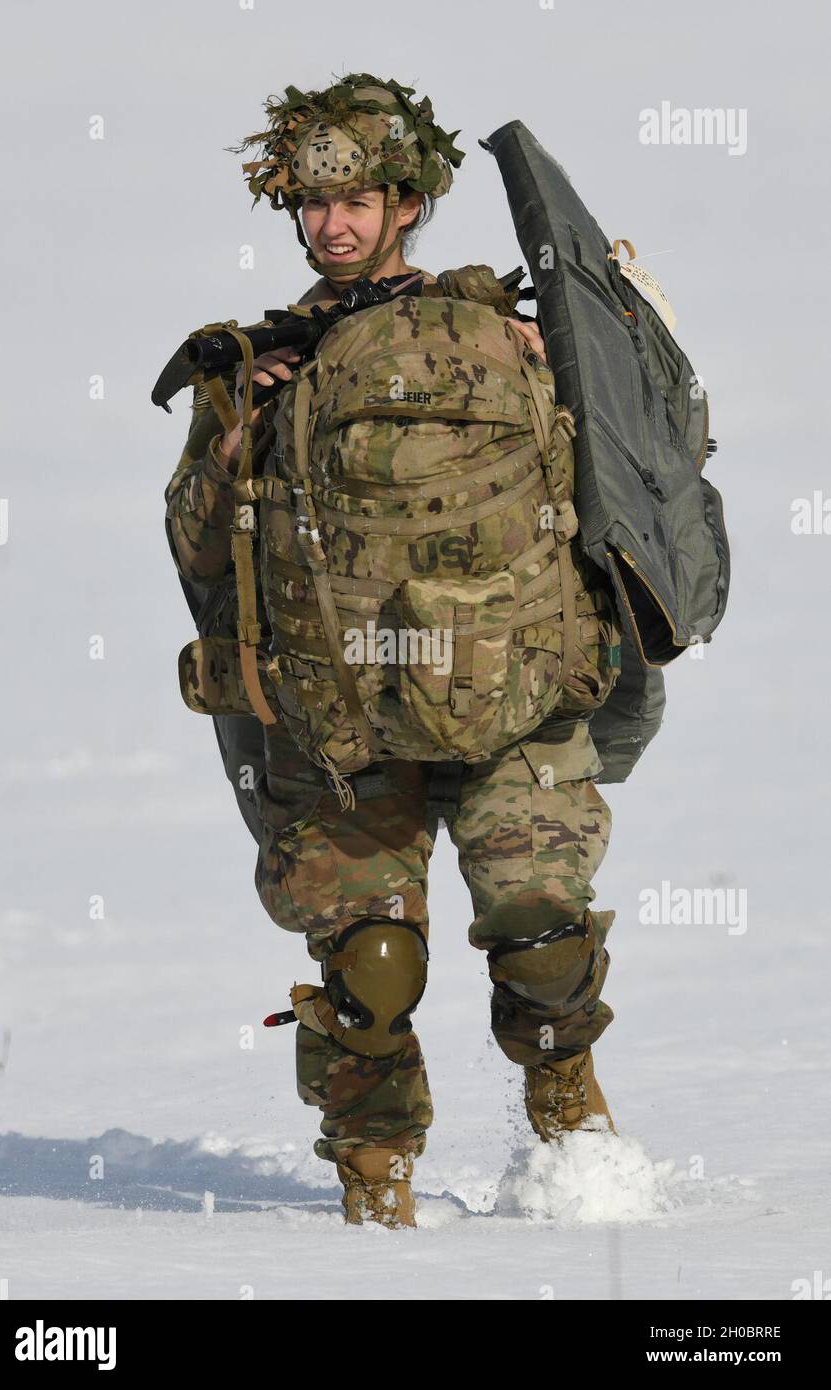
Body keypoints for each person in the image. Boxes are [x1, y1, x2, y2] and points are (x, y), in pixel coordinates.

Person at [165, 74, 620, 1229]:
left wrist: (571, 343)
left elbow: (633, 468)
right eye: (312, 208)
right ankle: (375, 1192)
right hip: (337, 716)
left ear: (406, 198)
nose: (333, 225)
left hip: (506, 690)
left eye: (357, 199)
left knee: (542, 929)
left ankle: (566, 1106)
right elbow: (194, 548)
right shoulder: (255, 363)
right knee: (370, 966)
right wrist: (231, 437)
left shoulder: (506, 334)